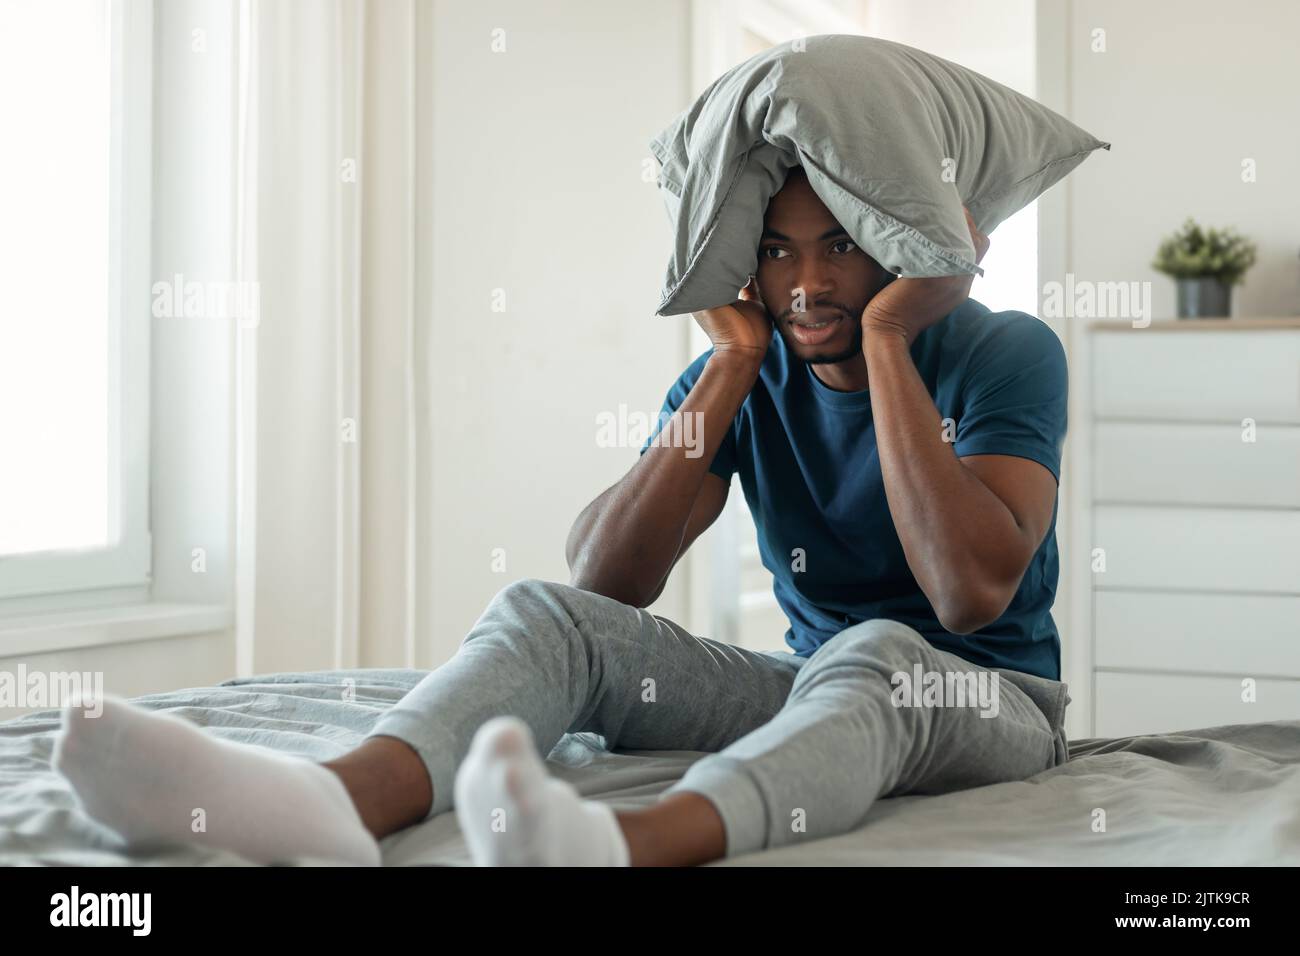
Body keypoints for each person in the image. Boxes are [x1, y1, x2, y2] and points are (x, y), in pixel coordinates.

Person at [53, 165, 1070, 867]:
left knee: (880, 648)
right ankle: (335, 801)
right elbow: (606, 578)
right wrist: (731, 362)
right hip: (819, 686)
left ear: (897, 245)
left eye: (840, 247)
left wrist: (890, 341)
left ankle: (628, 846)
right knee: (545, 612)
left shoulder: (1004, 350)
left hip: (994, 702)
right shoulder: (740, 372)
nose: (805, 283)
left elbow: (968, 591)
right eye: (775, 251)